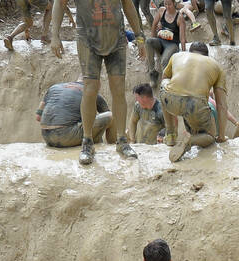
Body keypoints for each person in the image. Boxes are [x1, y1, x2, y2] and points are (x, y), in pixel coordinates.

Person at [50, 0, 148, 165]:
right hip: (87, 38)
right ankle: (87, 142)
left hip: (116, 37)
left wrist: (139, 35)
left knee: (118, 88)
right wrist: (54, 35)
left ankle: (122, 141)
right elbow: (59, 3)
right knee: (90, 87)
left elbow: (128, 4)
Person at [160, 42, 229, 161]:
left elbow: (164, 77)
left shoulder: (177, 56)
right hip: (196, 104)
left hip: (169, 99)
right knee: (209, 136)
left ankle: (170, 133)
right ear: (207, 55)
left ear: (189, 52)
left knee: (164, 84)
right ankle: (190, 141)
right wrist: (221, 136)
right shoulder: (216, 66)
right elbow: (221, 104)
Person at [36, 80, 112, 147]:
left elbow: (38, 117)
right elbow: (108, 117)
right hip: (66, 136)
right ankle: (114, 145)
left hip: (46, 136)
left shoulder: (53, 88)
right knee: (111, 116)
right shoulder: (91, 93)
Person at [146, 0, 188, 85]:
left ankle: (165, 84)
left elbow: (182, 38)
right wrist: (154, 41)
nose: (167, 7)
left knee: (164, 61)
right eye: (166, 4)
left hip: (172, 44)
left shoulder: (179, 17)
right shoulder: (162, 11)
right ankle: (152, 73)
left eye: (170, 4)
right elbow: (154, 25)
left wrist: (183, 53)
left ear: (174, 4)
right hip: (160, 41)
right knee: (148, 41)